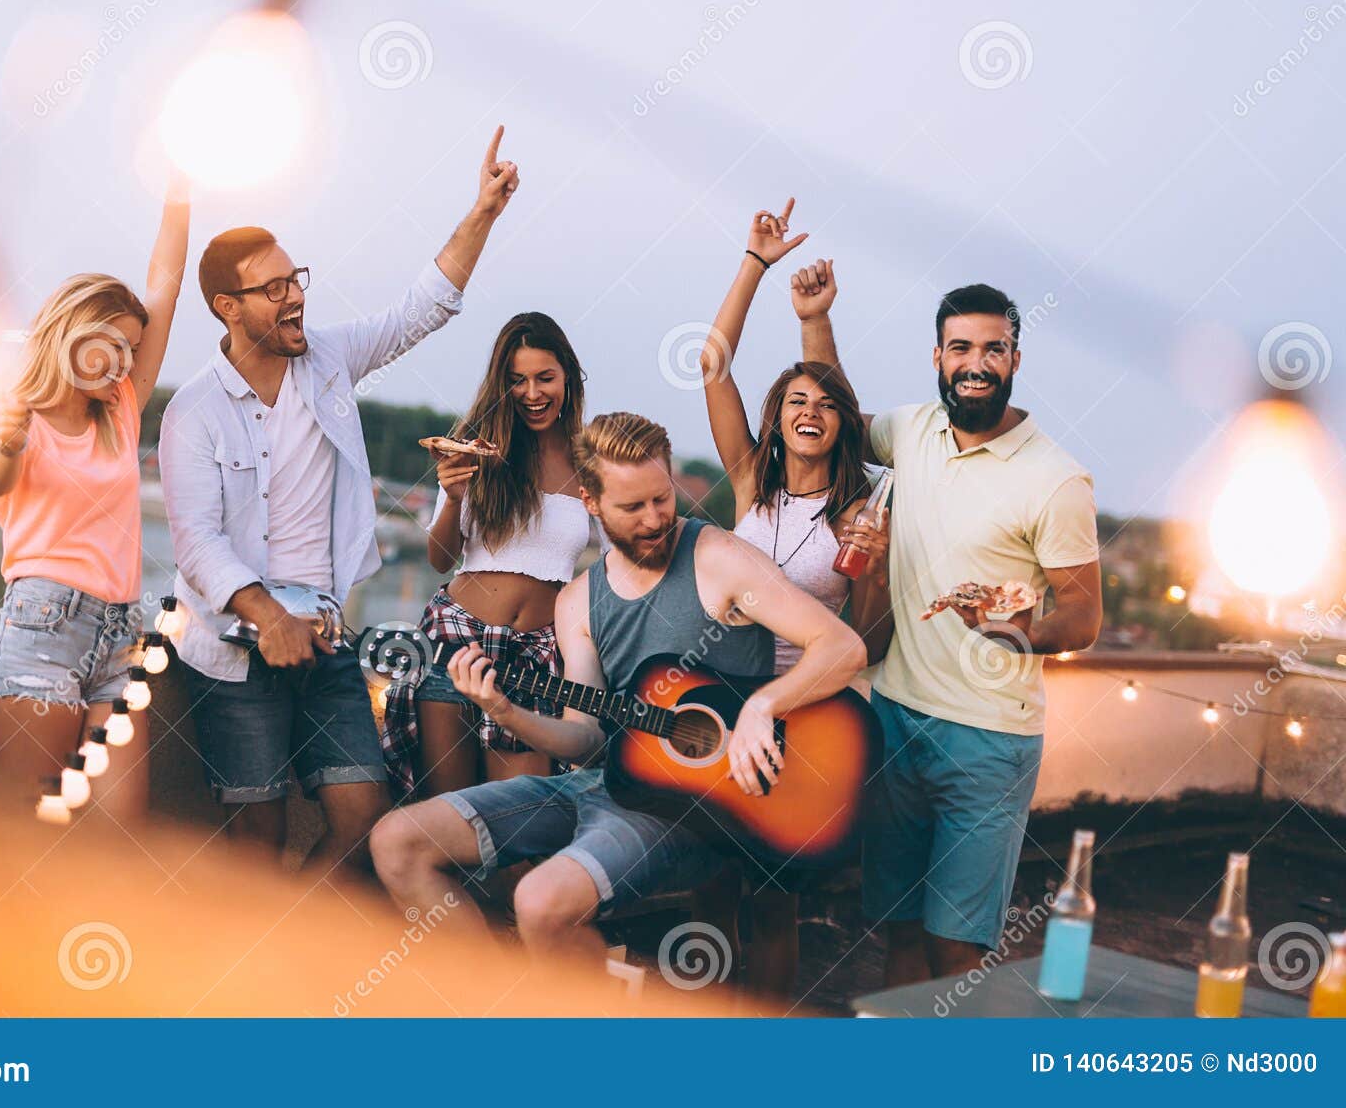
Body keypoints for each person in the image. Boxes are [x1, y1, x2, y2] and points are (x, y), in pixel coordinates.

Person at [369, 412, 868, 963]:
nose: (656, 519)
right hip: (607, 785)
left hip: (693, 810)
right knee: (398, 842)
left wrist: (761, 707)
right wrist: (506, 712)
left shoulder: (721, 559)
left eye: (662, 497)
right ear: (590, 501)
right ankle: (496, 1008)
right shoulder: (578, 601)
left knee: (539, 901)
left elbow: (843, 648)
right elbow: (586, 739)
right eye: (633, 508)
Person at [160, 126, 520, 877]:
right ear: (229, 306)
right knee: (256, 845)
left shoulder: (328, 357)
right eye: (274, 288)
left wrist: (483, 210)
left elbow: (422, 309)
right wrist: (268, 618)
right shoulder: (193, 411)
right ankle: (254, 986)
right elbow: (195, 541)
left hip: (324, 642)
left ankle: (294, 960)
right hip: (233, 652)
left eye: (298, 280)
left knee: (364, 822)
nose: (295, 298)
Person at [799, 281, 1102, 985]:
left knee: (957, 948)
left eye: (992, 348)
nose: (976, 362)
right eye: (960, 346)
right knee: (899, 930)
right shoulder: (912, 430)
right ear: (937, 355)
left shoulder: (1055, 480)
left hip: (989, 739)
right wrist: (816, 320)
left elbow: (1084, 618)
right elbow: (831, 411)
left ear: (1015, 359)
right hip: (896, 717)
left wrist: (1012, 629)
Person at [690, 200, 894, 995]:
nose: (811, 412)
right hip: (717, 701)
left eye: (827, 404)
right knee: (709, 886)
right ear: (776, 419)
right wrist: (755, 262)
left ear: (843, 424)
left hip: (800, 714)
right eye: (796, 402)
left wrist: (872, 573)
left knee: (772, 899)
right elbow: (712, 364)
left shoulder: (861, 516)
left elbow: (869, 641)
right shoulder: (749, 482)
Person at [0, 173, 190, 818]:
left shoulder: (119, 410)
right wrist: (9, 442)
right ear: (74, 334)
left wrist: (180, 190)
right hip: (39, 630)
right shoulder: (14, 417)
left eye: (132, 348)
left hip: (122, 639)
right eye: (113, 346)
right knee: (30, 830)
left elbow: (166, 284)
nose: (126, 362)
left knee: (115, 835)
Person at [381, 312, 590, 799]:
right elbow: (439, 559)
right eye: (517, 380)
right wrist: (452, 498)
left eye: (545, 378)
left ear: (568, 378)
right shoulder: (473, 447)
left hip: (536, 658)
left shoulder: (590, 460)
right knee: (447, 814)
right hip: (456, 641)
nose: (532, 393)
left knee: (518, 821)